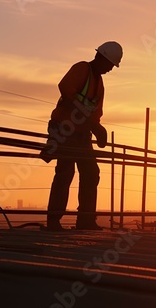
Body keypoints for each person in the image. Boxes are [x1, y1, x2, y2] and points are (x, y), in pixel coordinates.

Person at [42, 42, 122, 231]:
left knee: (91, 173)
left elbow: (94, 113)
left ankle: (85, 220)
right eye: (110, 64)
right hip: (64, 129)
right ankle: (53, 221)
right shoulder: (82, 69)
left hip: (81, 134)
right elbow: (65, 89)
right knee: (65, 172)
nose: (111, 69)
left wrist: (97, 129)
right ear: (101, 58)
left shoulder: (98, 83)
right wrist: (93, 125)